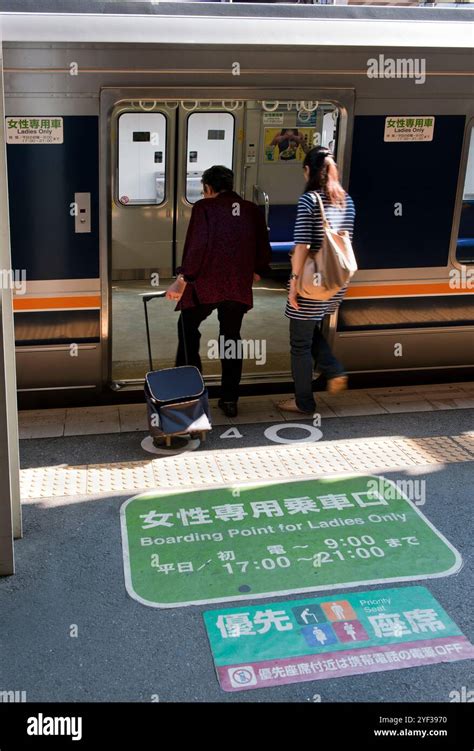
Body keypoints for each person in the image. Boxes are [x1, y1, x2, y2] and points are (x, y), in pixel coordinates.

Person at [165, 165, 271, 418]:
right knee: (231, 337)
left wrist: (183, 279)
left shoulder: (204, 208)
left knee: (187, 328)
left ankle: (191, 393)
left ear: (208, 188)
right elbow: (262, 245)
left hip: (206, 284)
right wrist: (258, 270)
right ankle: (230, 399)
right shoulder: (251, 209)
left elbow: (197, 246)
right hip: (237, 286)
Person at [278, 146, 356, 415]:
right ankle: (333, 369)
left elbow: (302, 245)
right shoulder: (347, 200)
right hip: (336, 283)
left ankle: (304, 401)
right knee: (310, 330)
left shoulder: (310, 200)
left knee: (299, 342)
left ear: (308, 171)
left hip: (311, 284)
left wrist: (294, 284)